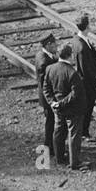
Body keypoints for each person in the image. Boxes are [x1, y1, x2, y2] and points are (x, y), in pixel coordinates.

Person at [42, 42, 87, 169]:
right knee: (74, 135)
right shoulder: (72, 73)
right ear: (70, 55)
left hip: (58, 109)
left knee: (58, 132)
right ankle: (75, 163)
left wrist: (53, 103)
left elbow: (46, 88)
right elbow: (75, 93)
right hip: (73, 109)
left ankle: (59, 158)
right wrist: (61, 103)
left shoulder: (50, 69)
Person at [35, 32, 58, 160]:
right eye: (54, 44)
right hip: (48, 98)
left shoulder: (43, 55)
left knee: (51, 122)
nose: (56, 46)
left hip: (46, 97)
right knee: (50, 123)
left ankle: (50, 146)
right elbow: (46, 83)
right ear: (48, 45)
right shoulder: (44, 62)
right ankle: (49, 148)